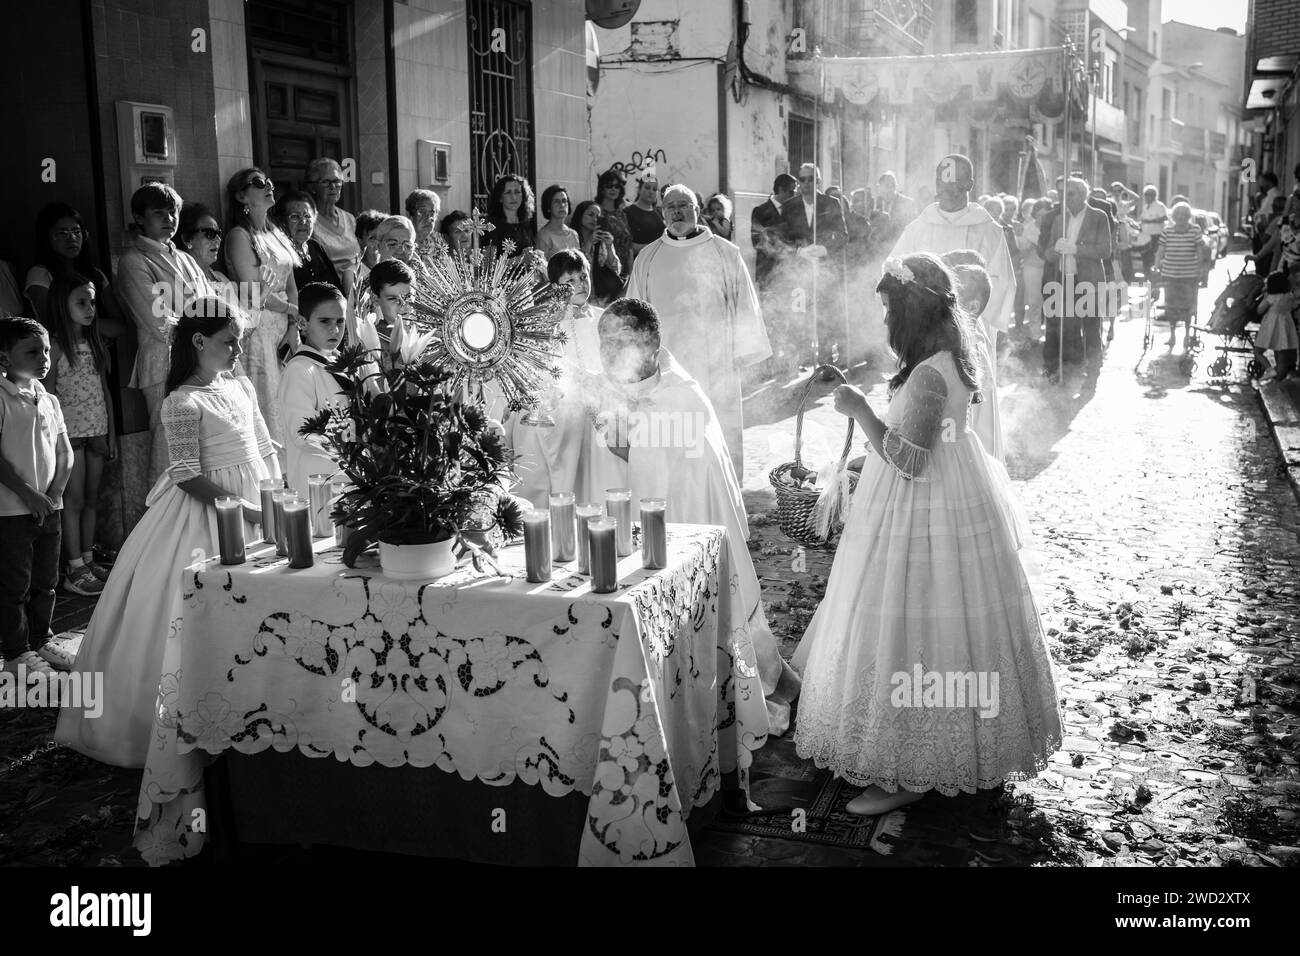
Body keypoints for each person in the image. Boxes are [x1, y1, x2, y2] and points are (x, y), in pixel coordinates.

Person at [791, 253, 1062, 815]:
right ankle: (947, 748)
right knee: (952, 623)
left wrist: (858, 409)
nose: (885, 317)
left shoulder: (930, 374)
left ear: (910, 311)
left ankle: (910, 769)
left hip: (924, 505)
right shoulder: (951, 359)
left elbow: (909, 459)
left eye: (889, 306)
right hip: (957, 489)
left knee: (912, 620)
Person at [56, 298, 280, 769]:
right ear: (199, 342)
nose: (238, 351)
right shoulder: (182, 401)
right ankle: (158, 723)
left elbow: (262, 446)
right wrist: (244, 511)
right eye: (229, 342)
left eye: (238, 341)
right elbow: (184, 474)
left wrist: (275, 497)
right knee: (178, 608)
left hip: (255, 497)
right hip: (209, 508)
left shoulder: (239, 385)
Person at [588, 297, 800, 734]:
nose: (608, 352)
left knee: (712, 620)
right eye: (603, 341)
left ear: (649, 345)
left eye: (619, 342)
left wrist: (621, 438)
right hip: (641, 524)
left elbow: (650, 451)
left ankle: (734, 688)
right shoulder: (618, 385)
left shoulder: (682, 396)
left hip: (686, 526)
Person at [626, 185, 770, 478]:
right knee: (675, 436)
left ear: (697, 210)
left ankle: (724, 491)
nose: (677, 211)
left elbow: (745, 303)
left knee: (718, 433)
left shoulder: (724, 252)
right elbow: (635, 315)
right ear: (662, 214)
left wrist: (745, 351)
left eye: (684, 205)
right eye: (670, 207)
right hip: (666, 367)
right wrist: (636, 361)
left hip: (716, 362)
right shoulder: (648, 258)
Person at [116, 182, 215, 485]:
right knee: (168, 448)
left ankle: (197, 523)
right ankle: (162, 522)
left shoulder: (185, 258)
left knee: (200, 447)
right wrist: (205, 335)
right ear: (139, 217)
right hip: (163, 362)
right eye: (159, 213)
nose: (169, 219)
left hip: (200, 359)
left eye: (173, 212)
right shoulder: (134, 261)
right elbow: (159, 321)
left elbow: (212, 305)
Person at [0, 317, 73, 675]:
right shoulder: (1, 398)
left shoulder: (49, 399)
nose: (44, 357)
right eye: (32, 351)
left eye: (46, 349)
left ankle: (41, 640)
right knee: (15, 583)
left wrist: (54, 493)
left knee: (46, 580)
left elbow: (65, 452)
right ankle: (16, 652)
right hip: (12, 510)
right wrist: (29, 494)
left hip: (49, 507)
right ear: (4, 356)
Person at [504, 249, 603, 508]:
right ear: (555, 287)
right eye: (570, 281)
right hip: (565, 410)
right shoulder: (548, 323)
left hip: (602, 405)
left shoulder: (604, 318)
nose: (580, 285)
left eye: (583, 277)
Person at [887, 155, 1016, 344]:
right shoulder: (919, 228)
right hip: (925, 327)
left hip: (972, 329)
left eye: (956, 183)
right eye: (942, 182)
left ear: (970, 184)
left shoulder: (988, 230)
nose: (947, 189)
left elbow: (1002, 283)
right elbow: (893, 271)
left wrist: (968, 313)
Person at [42, 274, 116, 596]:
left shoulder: (96, 343)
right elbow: (46, 395)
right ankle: (74, 568)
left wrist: (111, 431)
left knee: (91, 499)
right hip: (69, 438)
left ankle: (87, 558)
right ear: (63, 304)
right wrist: (53, 441)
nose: (90, 308)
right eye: (81, 302)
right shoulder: (55, 346)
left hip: (97, 430)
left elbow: (106, 392)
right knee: (71, 501)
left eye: (92, 301)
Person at [223, 167, 300, 449]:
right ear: (242, 196)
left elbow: (291, 282)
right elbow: (254, 289)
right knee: (269, 402)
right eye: (257, 183)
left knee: (291, 400)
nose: (268, 185)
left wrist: (294, 325)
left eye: (268, 180)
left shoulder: (277, 233)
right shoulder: (238, 236)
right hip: (260, 330)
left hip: (286, 328)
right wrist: (291, 310)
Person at [278, 283, 350, 494]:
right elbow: (303, 433)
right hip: (318, 487)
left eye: (340, 321)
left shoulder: (340, 363)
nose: (335, 329)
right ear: (302, 322)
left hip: (346, 480)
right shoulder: (300, 370)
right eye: (324, 321)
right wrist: (357, 433)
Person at [1039, 177, 1114, 377]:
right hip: (1063, 279)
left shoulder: (1098, 216)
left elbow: (1105, 250)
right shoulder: (1059, 218)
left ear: (1082, 195)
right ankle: (1070, 367)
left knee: (1091, 326)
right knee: (1065, 326)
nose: (1065, 198)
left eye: (1070, 194)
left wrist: (1075, 249)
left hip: (1088, 280)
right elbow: (1047, 253)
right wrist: (1055, 250)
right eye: (1062, 194)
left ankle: (1093, 369)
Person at [782, 163, 848, 367]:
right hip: (799, 273)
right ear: (798, 182)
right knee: (798, 314)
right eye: (803, 179)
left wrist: (825, 248)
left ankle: (827, 364)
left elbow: (843, 234)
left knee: (825, 316)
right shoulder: (790, 206)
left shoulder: (831, 203)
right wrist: (798, 251)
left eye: (812, 179)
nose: (807, 183)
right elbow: (782, 237)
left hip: (825, 271)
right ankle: (799, 358)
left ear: (819, 181)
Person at [24, 204, 126, 335]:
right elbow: (54, 326)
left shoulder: (96, 274)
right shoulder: (40, 274)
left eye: (76, 232)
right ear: (47, 237)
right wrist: (94, 324)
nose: (72, 238)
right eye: (62, 233)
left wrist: (81, 322)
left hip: (98, 352)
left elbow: (120, 327)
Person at [944, 258, 1002, 462]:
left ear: (973, 306)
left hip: (964, 458)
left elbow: (968, 420)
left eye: (951, 299)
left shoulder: (969, 351)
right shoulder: (965, 338)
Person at [752, 173, 799, 375]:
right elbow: (758, 240)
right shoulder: (760, 211)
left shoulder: (796, 210)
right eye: (791, 190)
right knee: (769, 319)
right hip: (768, 274)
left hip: (791, 275)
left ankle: (788, 363)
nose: (794, 194)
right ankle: (768, 363)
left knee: (791, 318)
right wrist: (787, 250)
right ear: (780, 189)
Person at [1153, 202, 1207, 349]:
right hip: (1170, 273)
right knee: (1171, 305)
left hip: (1189, 274)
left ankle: (1187, 334)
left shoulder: (1195, 230)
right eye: (1178, 215)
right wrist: (1156, 266)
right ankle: (1172, 335)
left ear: (1188, 217)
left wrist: (1200, 267)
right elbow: (1160, 250)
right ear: (1174, 216)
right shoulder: (1167, 231)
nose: (1181, 217)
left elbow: (1200, 251)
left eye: (1184, 215)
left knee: (1187, 306)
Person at [303, 158, 360, 295]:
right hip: (330, 293)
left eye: (337, 181)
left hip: (359, 289)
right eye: (326, 182)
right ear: (312, 187)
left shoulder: (349, 218)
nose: (333, 187)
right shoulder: (307, 222)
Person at [275, 191, 344, 293]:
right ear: (281, 221)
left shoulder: (315, 247)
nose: (303, 222)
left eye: (307, 216)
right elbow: (253, 298)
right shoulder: (280, 253)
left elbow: (337, 287)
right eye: (294, 216)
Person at [570, 199, 624, 305]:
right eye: (591, 215)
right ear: (580, 216)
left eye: (598, 216)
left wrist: (609, 246)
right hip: (579, 294)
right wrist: (589, 243)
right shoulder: (572, 237)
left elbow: (616, 269)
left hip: (601, 297)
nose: (595, 219)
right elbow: (576, 267)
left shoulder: (602, 238)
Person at [484, 174, 537, 255]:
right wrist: (520, 259)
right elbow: (489, 263)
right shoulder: (492, 227)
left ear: (523, 196)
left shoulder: (526, 224)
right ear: (500, 198)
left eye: (517, 192)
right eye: (508, 192)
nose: (514, 197)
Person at [594, 168, 633, 275]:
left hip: (624, 270)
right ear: (602, 188)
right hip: (604, 272)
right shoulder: (595, 212)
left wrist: (630, 274)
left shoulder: (622, 213)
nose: (613, 189)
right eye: (609, 186)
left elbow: (629, 246)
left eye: (617, 186)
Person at [535, 185, 580, 261]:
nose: (562, 205)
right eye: (556, 202)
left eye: (564, 201)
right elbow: (540, 268)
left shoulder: (573, 234)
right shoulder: (544, 235)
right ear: (548, 207)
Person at [405, 188, 446, 271]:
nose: (428, 218)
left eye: (432, 213)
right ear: (410, 215)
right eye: (422, 212)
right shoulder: (401, 243)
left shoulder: (438, 243)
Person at [623, 174, 665, 255]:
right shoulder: (628, 212)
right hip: (639, 262)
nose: (651, 192)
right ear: (639, 190)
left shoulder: (660, 213)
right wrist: (650, 248)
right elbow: (625, 245)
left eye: (654, 189)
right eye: (647, 187)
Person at [873, 171, 918, 243]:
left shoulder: (907, 203)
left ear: (894, 187)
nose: (885, 192)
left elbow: (912, 228)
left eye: (889, 187)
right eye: (882, 188)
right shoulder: (876, 203)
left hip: (900, 244)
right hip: (881, 247)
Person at [1136, 185, 1169, 280]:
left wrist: (1150, 221)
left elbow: (1164, 218)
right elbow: (1142, 220)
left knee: (1154, 260)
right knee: (1145, 260)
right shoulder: (1146, 207)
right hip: (1145, 237)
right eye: (1145, 194)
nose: (1146, 197)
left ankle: (1155, 283)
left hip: (1156, 237)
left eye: (1149, 195)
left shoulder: (1159, 206)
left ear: (1154, 196)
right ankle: (1148, 281)